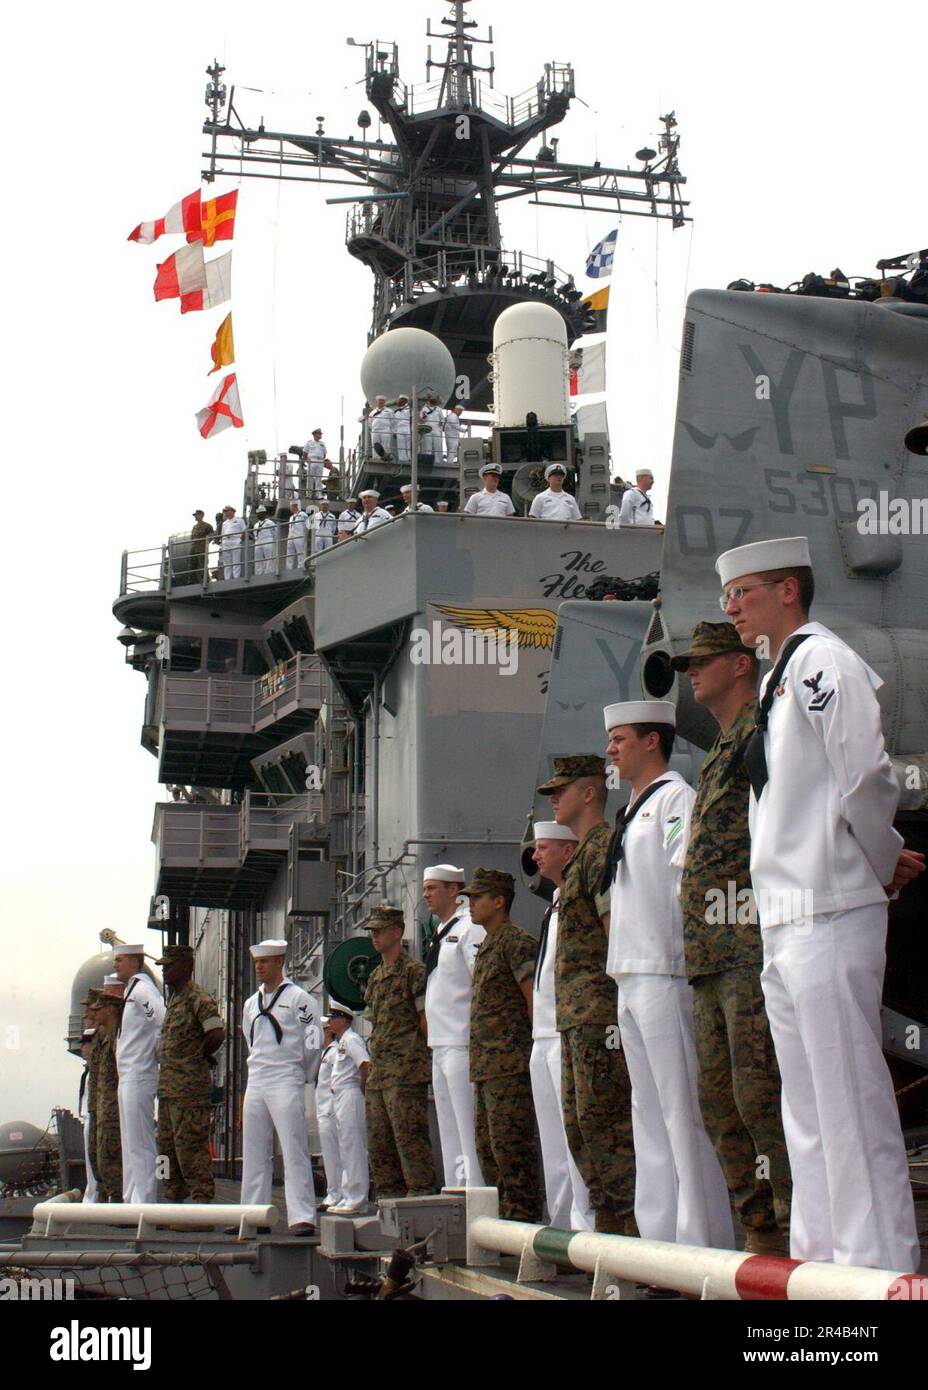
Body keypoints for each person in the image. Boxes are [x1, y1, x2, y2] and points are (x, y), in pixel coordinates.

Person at [716, 534, 924, 1270]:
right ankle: (821, 1265)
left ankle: (877, 1270)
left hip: (830, 911)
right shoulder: (781, 679)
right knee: (805, 1113)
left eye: (743, 593)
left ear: (788, 592)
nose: (732, 608)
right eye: (729, 596)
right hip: (788, 918)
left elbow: (866, 776)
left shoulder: (821, 662)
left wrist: (873, 863)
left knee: (849, 1104)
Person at [672, 622, 792, 1254]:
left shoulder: (762, 733)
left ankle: (796, 1229)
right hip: (709, 961)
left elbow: (797, 816)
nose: (691, 672)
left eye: (702, 660)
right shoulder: (721, 750)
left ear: (740, 665)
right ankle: (760, 1232)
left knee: (761, 1098)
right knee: (719, 1103)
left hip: (748, 949)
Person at [602, 702, 734, 1249]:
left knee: (683, 1116)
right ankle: (659, 1242)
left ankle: (700, 1242)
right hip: (629, 974)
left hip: (663, 970)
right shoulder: (631, 810)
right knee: (648, 1118)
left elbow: (689, 878)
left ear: (652, 741)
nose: (611, 749)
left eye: (620, 738)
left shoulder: (674, 799)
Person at [537, 755, 636, 1235]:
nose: (554, 798)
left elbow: (613, 930)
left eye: (562, 790)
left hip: (599, 1013)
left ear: (591, 792)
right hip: (576, 1017)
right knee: (580, 1126)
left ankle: (632, 1232)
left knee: (607, 1124)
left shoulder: (600, 851)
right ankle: (609, 1228)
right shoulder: (581, 857)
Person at [464, 868, 540, 1222]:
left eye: (477, 898)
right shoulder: (487, 946)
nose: (471, 904)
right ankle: (506, 1221)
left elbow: (531, 999)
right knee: (489, 1148)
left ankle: (522, 1219)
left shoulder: (515, 941)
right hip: (487, 1066)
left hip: (510, 1064)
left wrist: (534, 1050)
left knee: (512, 1148)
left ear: (499, 901)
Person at [529, 822, 594, 1231]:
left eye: (543, 848)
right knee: (553, 1139)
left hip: (565, 1026)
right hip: (543, 1031)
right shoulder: (555, 901)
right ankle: (562, 1221)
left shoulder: (574, 898)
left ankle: (585, 1220)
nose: (535, 857)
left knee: (575, 1135)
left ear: (568, 852)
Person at [241, 939, 321, 1236]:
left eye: (265, 962)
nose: (259, 968)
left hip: (286, 1077)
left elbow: (313, 1039)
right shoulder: (251, 1004)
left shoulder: (299, 998)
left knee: (293, 1147)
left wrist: (303, 1073)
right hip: (258, 1078)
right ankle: (252, 1213)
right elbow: (251, 1040)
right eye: (257, 962)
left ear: (279, 962)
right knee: (254, 1150)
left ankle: (302, 1216)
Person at [361, 905, 435, 1199]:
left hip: (405, 1073)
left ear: (397, 932)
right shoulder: (376, 977)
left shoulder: (414, 972)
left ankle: (421, 1203)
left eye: (380, 930)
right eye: (372, 931)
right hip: (380, 1075)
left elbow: (425, 1021)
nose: (374, 936)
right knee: (380, 1146)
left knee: (410, 1141)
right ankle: (388, 1207)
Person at [422, 864, 485, 1188]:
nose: (426, 894)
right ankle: (458, 1192)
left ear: (453, 890)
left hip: (461, 1042)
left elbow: (482, 982)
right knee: (449, 1130)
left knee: (467, 1129)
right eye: (425, 888)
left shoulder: (470, 928)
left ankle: (476, 1195)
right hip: (440, 1044)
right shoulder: (441, 932)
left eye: (433, 888)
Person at [155, 944, 225, 1206]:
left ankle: (201, 1202)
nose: (164, 972)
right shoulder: (174, 1000)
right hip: (168, 1090)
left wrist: (198, 1056)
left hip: (189, 1091)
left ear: (185, 966)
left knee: (190, 1149)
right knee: (166, 1150)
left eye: (169, 966)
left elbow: (216, 1033)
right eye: (162, 967)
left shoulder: (198, 998)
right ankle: (172, 1198)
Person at [113, 946, 165, 1204]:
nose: (115, 965)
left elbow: (160, 1022)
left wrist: (151, 1057)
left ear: (134, 961)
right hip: (127, 1075)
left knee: (141, 1143)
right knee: (130, 1142)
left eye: (120, 960)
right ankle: (130, 1199)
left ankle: (144, 1202)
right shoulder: (131, 991)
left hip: (139, 1073)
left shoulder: (143, 990)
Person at [325, 1004, 371, 1215]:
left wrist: (362, 1090)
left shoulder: (352, 1040)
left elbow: (365, 1064)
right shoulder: (342, 1042)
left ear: (344, 1019)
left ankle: (358, 1197)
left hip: (351, 1093)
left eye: (333, 1017)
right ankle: (348, 1195)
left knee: (353, 1147)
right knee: (345, 1147)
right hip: (340, 1096)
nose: (330, 1021)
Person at [91, 977, 125, 1202]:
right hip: (104, 1109)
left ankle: (118, 1199)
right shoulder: (103, 1038)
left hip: (115, 1110)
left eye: (99, 1008)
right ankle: (109, 1197)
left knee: (113, 1157)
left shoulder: (118, 1038)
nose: (94, 1013)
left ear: (111, 1009)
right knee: (102, 1157)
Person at [315, 1019, 343, 1212]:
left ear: (327, 1031)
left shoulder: (334, 1052)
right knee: (330, 1154)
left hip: (331, 1110)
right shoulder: (324, 1054)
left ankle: (337, 1193)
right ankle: (333, 1192)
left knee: (336, 1154)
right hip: (324, 1110)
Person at [78, 1020, 98, 1202]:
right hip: (88, 1117)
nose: (82, 1048)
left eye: (85, 1043)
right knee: (90, 1161)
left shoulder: (98, 1072)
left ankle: (94, 1196)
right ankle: (91, 1193)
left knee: (96, 1160)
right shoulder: (89, 1071)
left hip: (95, 1117)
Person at [219, 505, 246, 580]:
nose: (225, 513)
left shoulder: (239, 520)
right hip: (226, 542)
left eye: (227, 511)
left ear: (232, 511)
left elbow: (244, 531)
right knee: (227, 563)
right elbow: (222, 533)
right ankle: (227, 578)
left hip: (235, 541)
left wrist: (240, 541)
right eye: (225, 511)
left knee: (236, 561)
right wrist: (222, 542)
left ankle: (236, 578)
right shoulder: (224, 523)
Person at [189, 510, 214, 582]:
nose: (195, 516)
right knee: (191, 565)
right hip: (193, 549)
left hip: (201, 549)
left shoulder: (207, 526)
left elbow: (211, 535)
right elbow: (192, 538)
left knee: (202, 565)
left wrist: (205, 543)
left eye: (196, 515)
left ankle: (206, 580)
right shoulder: (194, 527)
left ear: (201, 515)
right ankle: (192, 581)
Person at [303, 429, 328, 501]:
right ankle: (309, 494)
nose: (320, 435)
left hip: (320, 461)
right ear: (315, 434)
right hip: (312, 460)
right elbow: (305, 453)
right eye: (319, 434)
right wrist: (307, 461)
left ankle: (319, 494)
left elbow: (325, 454)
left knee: (318, 478)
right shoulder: (309, 443)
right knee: (310, 478)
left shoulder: (322, 443)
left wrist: (321, 459)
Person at [253, 506, 277, 576]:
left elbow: (275, 533)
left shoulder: (270, 523)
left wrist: (272, 541)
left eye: (260, 513)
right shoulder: (256, 525)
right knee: (258, 559)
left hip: (268, 540)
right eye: (257, 514)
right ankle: (258, 574)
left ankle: (269, 572)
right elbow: (255, 534)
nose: (258, 515)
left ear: (264, 514)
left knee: (269, 558)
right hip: (258, 541)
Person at [286, 500, 310, 571]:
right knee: (289, 554)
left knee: (300, 553)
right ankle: (289, 569)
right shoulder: (291, 517)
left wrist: (304, 535)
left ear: (294, 506)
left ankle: (301, 568)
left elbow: (307, 526)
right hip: (291, 537)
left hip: (299, 536)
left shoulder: (303, 515)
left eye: (291, 506)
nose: (290, 508)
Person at [393, 397, 412, 463]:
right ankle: (402, 459)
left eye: (401, 401)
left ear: (404, 402)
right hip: (399, 429)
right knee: (401, 445)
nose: (399, 402)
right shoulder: (396, 412)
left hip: (407, 427)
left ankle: (409, 458)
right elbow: (394, 423)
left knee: (408, 445)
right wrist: (394, 431)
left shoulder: (409, 409)